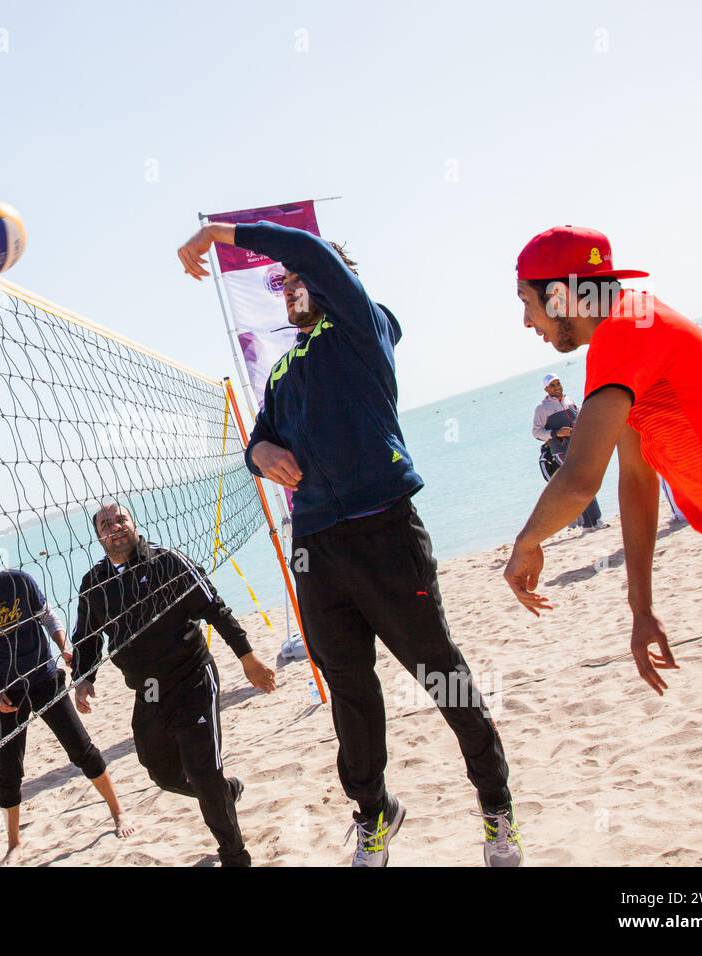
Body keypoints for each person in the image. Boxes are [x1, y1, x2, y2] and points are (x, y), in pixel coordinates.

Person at [178, 220, 521, 867]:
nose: (288, 288)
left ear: (337, 281)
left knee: (440, 673)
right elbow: (257, 443)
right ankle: (374, 813)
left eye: (297, 279)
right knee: (351, 692)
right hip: (315, 547)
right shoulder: (282, 372)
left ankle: (496, 808)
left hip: (383, 528)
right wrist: (261, 451)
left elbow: (305, 250)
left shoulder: (363, 327)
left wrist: (216, 234)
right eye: (281, 285)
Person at [504, 224, 702, 866]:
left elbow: (579, 477)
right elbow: (635, 480)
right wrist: (641, 608)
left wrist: (527, 541)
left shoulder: (627, 328)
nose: (527, 322)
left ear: (561, 295)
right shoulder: (630, 335)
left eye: (527, 302)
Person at [72, 502, 276, 866]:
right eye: (106, 523)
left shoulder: (168, 562)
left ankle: (234, 855)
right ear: (98, 535)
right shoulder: (94, 584)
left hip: (192, 677)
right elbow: (86, 638)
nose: (115, 526)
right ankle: (224, 791)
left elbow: (215, 607)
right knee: (162, 773)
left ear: (134, 524)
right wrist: (84, 679)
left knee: (203, 771)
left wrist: (247, 657)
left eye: (121, 519)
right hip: (147, 691)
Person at [0, 533, 133, 864]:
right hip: (7, 692)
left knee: (82, 749)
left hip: (45, 679)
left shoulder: (19, 582)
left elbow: (49, 618)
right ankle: (14, 843)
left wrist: (64, 646)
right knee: (8, 770)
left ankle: (118, 812)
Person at [533, 373, 605, 530]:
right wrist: (556, 433)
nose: (557, 387)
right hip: (560, 450)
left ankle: (596, 520)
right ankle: (587, 524)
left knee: (586, 481)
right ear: (546, 389)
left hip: (579, 446)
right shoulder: (542, 408)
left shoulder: (569, 401)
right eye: (552, 385)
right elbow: (536, 432)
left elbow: (581, 419)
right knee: (579, 482)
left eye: (558, 383)